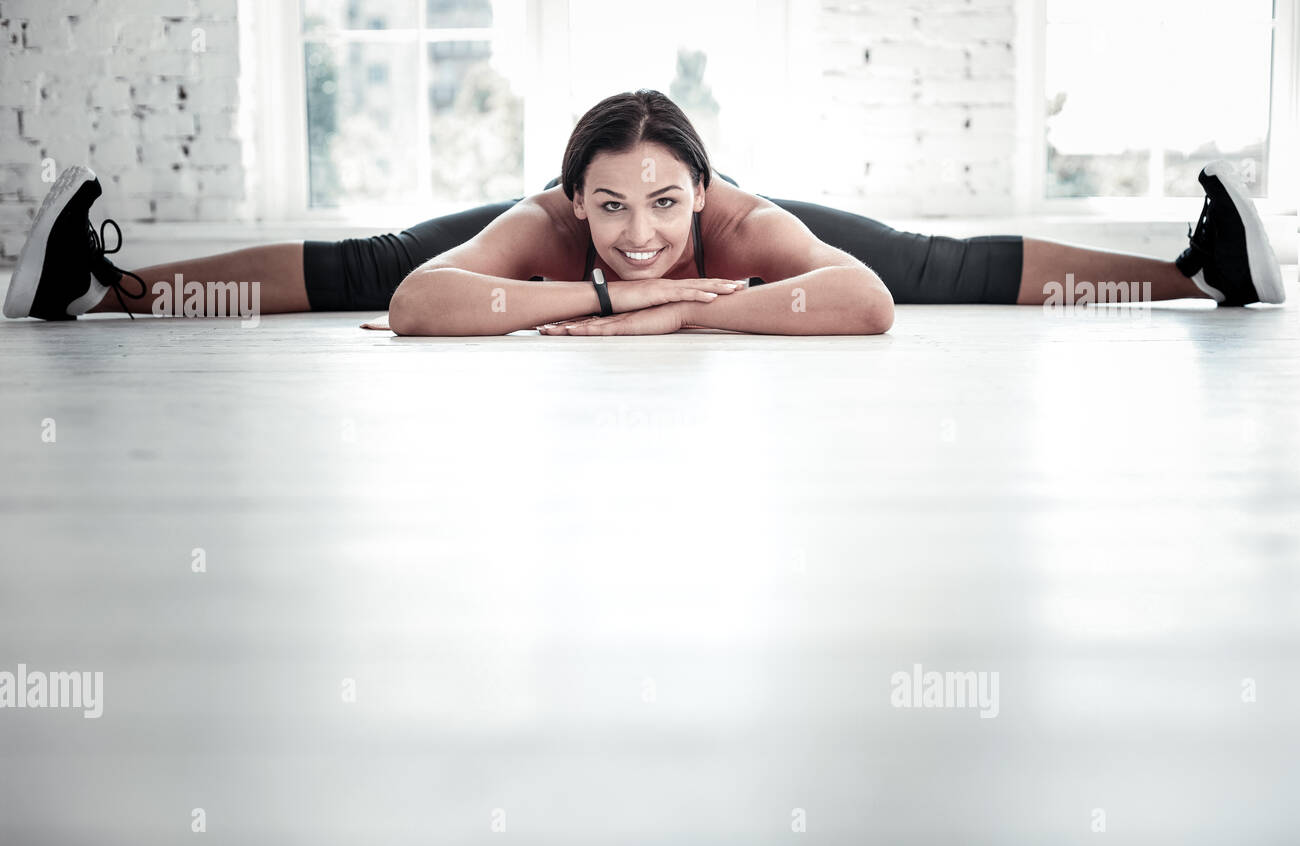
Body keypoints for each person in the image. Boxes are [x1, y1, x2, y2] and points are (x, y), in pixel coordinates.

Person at [3, 89, 1285, 335]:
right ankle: (103, 288)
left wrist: (679, 306)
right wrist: (618, 293)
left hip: (768, 251)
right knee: (364, 256)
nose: (637, 226)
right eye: (609, 206)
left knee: (932, 256)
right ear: (569, 199)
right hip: (569, 271)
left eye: (663, 206)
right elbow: (413, 301)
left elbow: (867, 298)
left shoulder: (739, 222)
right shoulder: (554, 228)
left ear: (704, 192)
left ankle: (1193, 273)